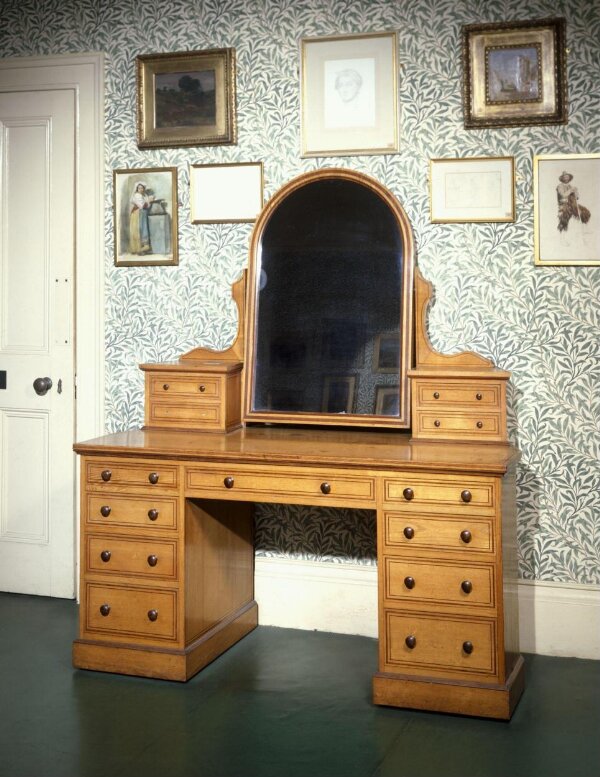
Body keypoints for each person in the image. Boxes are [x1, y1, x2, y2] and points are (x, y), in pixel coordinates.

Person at [129, 182, 153, 254]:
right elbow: (142, 206)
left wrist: (148, 201)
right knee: (139, 229)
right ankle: (138, 248)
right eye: (139, 188)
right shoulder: (137, 195)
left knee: (144, 228)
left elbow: (147, 206)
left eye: (142, 188)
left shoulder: (144, 195)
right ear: (137, 189)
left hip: (143, 213)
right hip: (137, 214)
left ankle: (144, 248)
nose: (141, 189)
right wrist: (149, 201)